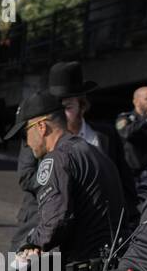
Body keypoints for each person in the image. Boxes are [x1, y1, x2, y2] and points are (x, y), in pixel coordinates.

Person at [2, 92, 126, 271]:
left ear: (41, 127)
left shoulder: (56, 159)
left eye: (25, 133)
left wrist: (32, 245)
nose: (25, 142)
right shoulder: (93, 153)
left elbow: (56, 221)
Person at [51, 62, 137, 220]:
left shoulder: (105, 135)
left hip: (103, 223)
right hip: (58, 223)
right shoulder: (41, 137)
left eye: (68, 107)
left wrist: (130, 216)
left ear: (81, 106)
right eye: (58, 108)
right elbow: (29, 180)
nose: (61, 115)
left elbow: (124, 178)